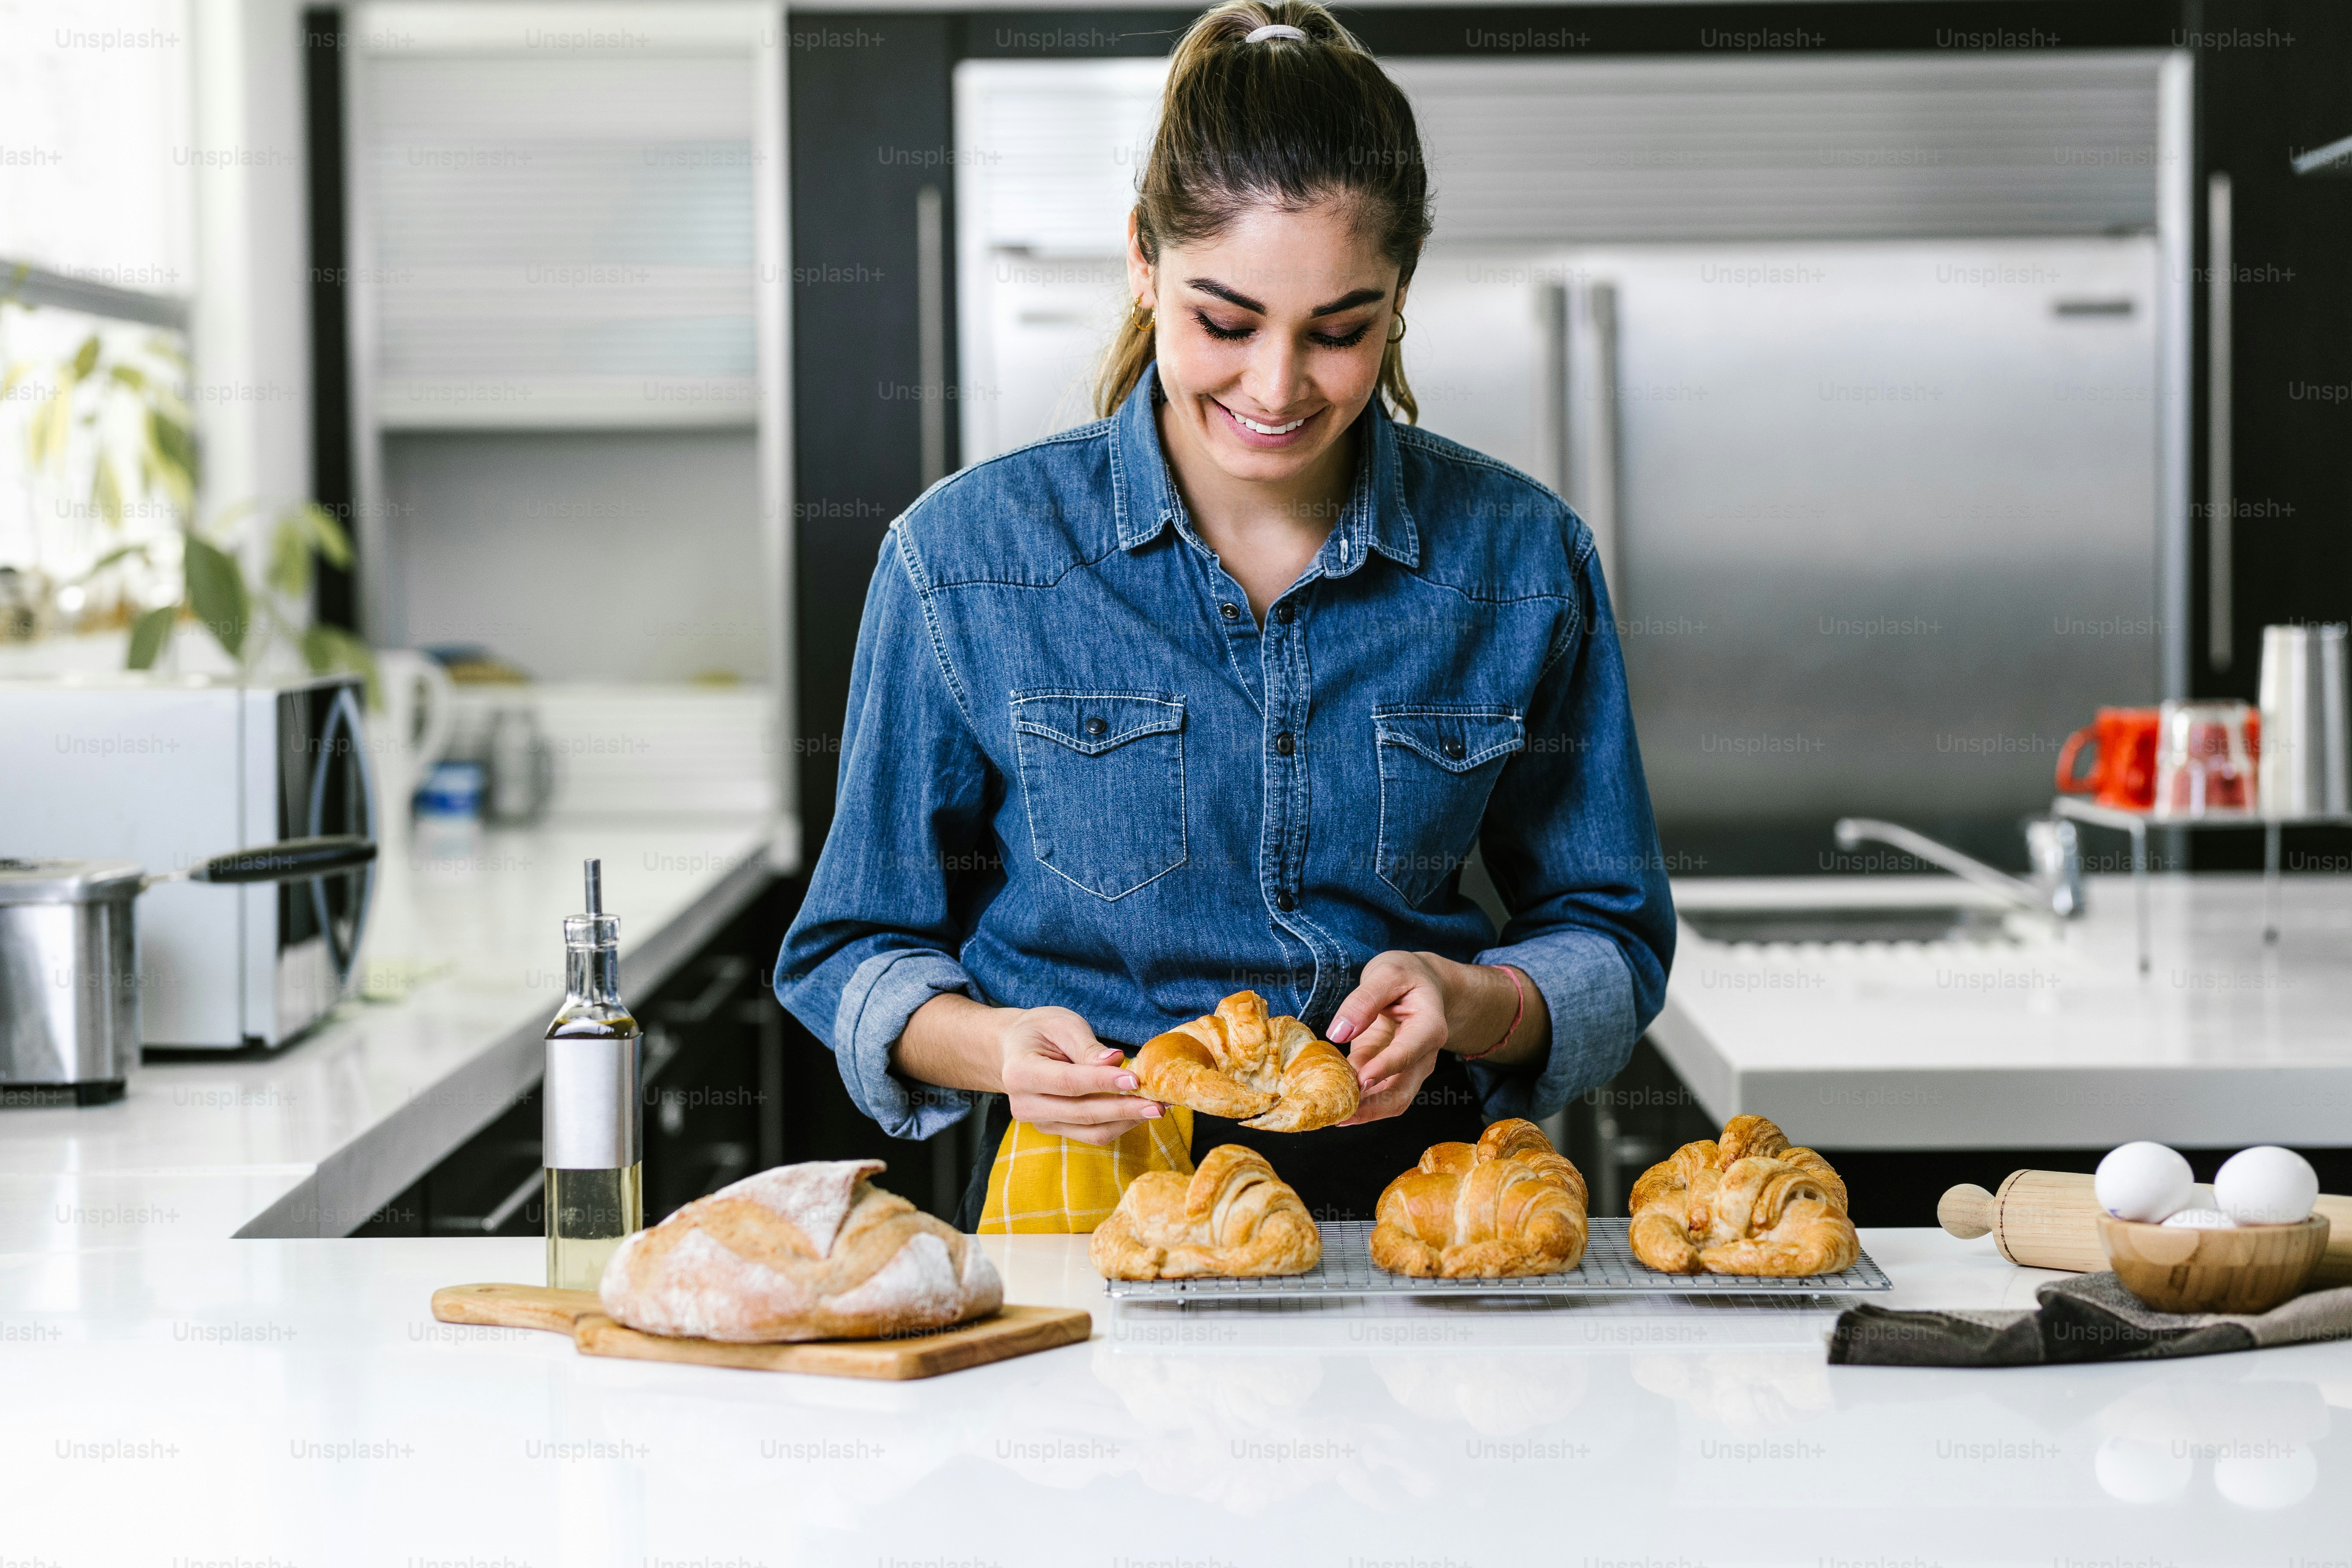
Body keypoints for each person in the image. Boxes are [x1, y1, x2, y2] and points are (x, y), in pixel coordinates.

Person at [777, 0, 1675, 1232]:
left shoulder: (1521, 562)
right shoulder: (965, 560)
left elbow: (1612, 935)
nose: (1276, 386)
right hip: (1086, 1205)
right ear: (1144, 260)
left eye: (1340, 332)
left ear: (1400, 294)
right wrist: (992, 1048)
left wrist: (1471, 1004)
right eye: (1226, 321)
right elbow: (852, 949)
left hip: (1420, 1216)